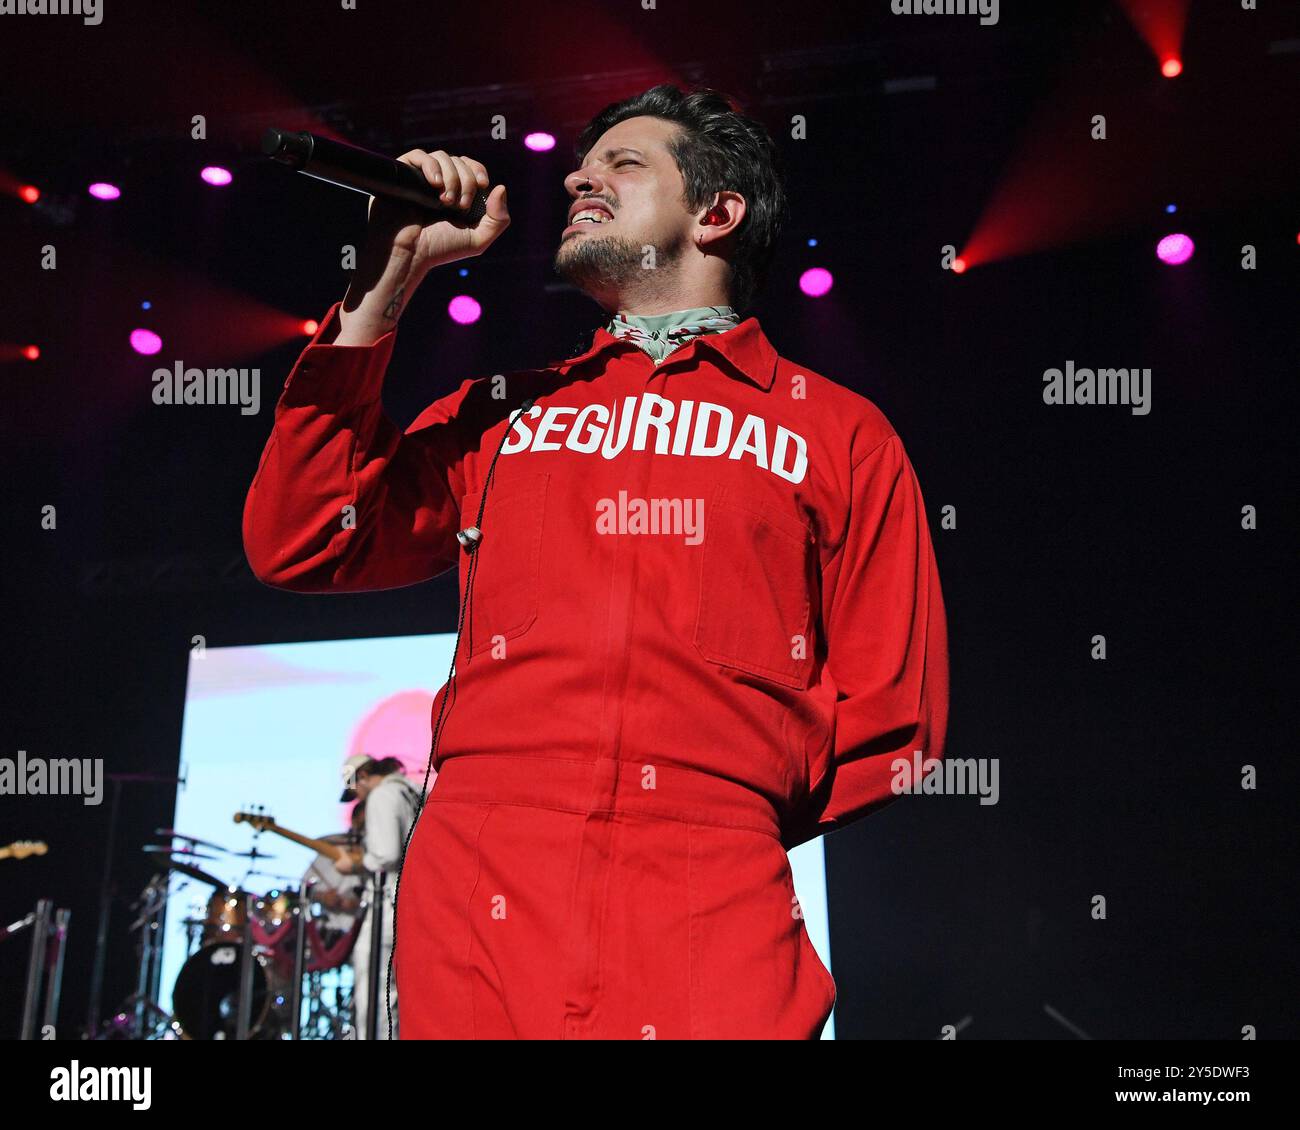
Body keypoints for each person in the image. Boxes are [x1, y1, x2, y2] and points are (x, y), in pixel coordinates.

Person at [244, 85, 949, 1039]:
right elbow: (304, 539)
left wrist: (728, 800)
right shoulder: (501, 412)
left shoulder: (836, 432)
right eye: (585, 164)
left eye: (624, 163)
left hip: (717, 896)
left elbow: (895, 718)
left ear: (717, 213)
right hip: (480, 880)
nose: (580, 176)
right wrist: (386, 283)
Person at [334, 755, 419, 1039]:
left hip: (387, 904)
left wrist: (355, 863)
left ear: (363, 775)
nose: (357, 796)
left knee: (374, 989)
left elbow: (385, 855)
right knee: (395, 992)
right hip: (409, 903)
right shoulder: (410, 790)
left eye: (355, 787)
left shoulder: (382, 795)